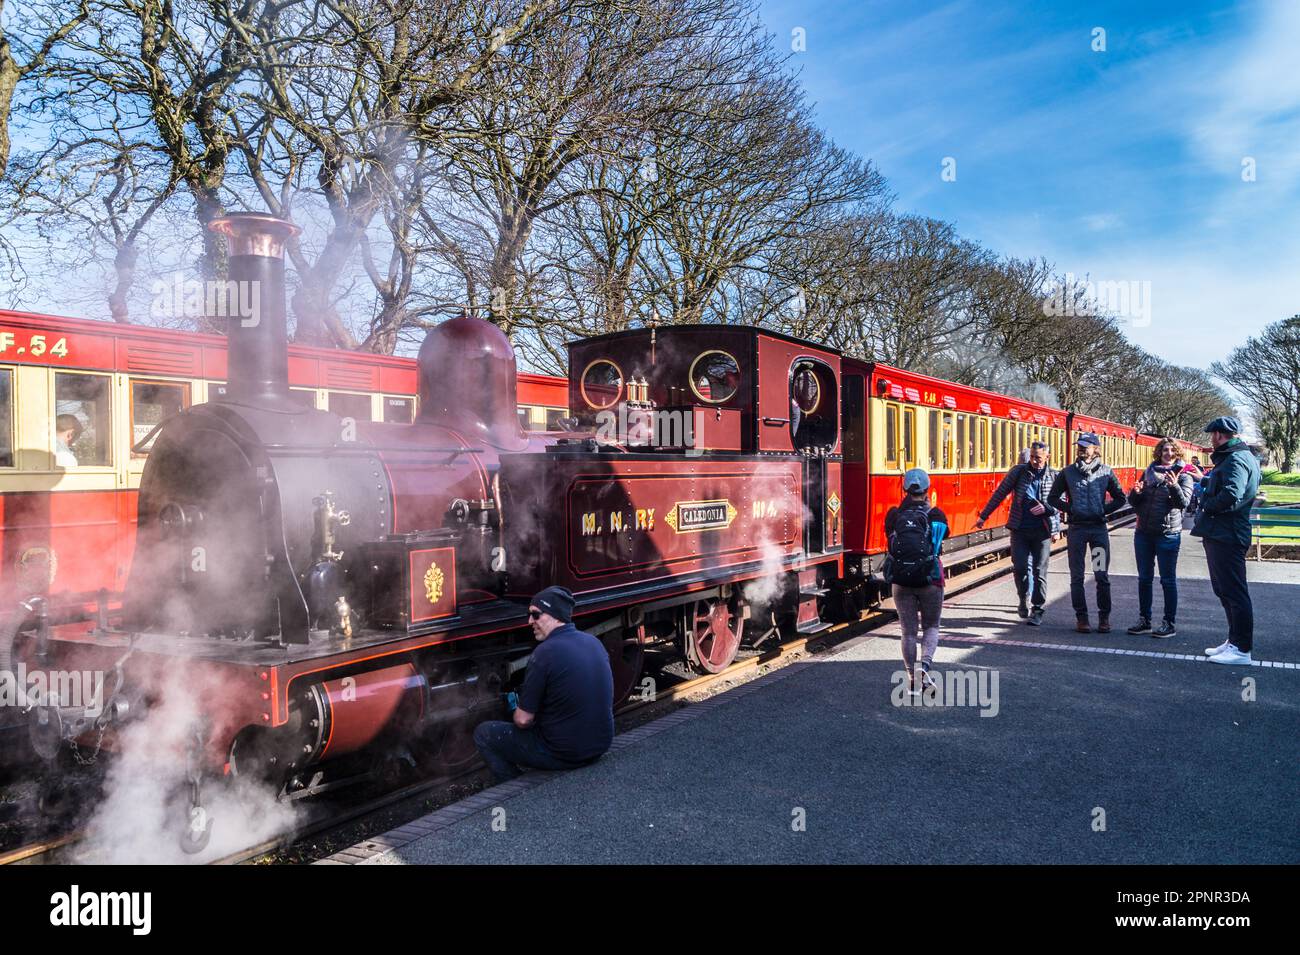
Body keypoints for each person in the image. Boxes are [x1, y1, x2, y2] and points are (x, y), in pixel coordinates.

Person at [472, 587, 614, 781]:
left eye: (536, 615)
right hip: (600, 746)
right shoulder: (593, 642)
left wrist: (513, 709)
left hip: (566, 754)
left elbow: (523, 720)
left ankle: (515, 788)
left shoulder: (544, 652)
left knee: (484, 733)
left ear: (555, 616)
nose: (530, 621)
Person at [1192, 417, 1262, 665]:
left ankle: (1242, 649)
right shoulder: (1238, 457)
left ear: (1221, 435)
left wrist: (1207, 506)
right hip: (1222, 532)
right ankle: (1234, 641)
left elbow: (1233, 494)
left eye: (1213, 435)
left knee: (1234, 592)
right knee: (1225, 590)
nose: (1211, 440)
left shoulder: (1236, 459)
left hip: (1227, 533)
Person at [1048, 432, 1126, 633]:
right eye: (1079, 446)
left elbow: (1120, 498)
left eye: (1086, 446)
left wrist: (1103, 510)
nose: (1081, 449)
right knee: (1077, 576)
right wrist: (1070, 510)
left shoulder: (1106, 472)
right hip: (1077, 531)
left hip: (1098, 531)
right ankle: (1081, 618)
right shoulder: (1067, 473)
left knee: (1101, 575)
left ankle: (1103, 618)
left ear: (1096, 449)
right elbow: (1053, 498)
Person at [975, 440, 1059, 626]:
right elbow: (1000, 493)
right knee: (1020, 567)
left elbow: (1059, 504)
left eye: (1038, 458)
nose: (1035, 461)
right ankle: (1023, 597)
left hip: (1042, 531)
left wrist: (1048, 512)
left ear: (1047, 456)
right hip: (1019, 529)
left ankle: (1037, 609)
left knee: (1040, 571)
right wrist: (984, 516)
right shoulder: (1019, 472)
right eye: (1032, 457)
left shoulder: (1054, 476)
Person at [884, 468, 949, 695]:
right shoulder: (937, 515)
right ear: (927, 489)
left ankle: (912, 678)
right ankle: (925, 669)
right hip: (930, 579)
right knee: (931, 626)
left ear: (904, 489)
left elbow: (889, 539)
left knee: (908, 631)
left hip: (901, 581)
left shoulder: (893, 515)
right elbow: (942, 540)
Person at [1126, 437, 1194, 637]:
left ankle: (1168, 623)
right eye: (1165, 450)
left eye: (1172, 450)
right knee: (1144, 579)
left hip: (1168, 534)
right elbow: (1136, 505)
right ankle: (1144, 620)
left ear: (1178, 453)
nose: (1169, 453)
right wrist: (1135, 494)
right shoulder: (1147, 472)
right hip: (1144, 533)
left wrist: (1174, 486)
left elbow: (1184, 504)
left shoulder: (1184, 476)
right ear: (1159, 452)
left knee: (1167, 580)